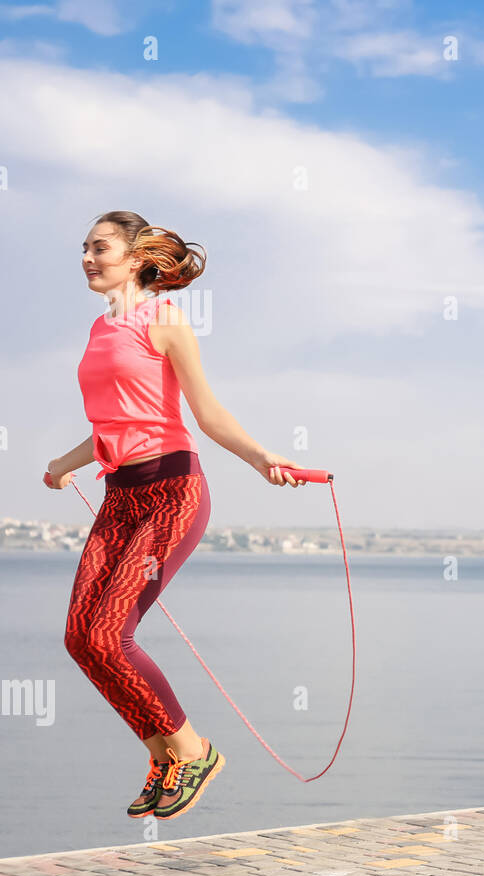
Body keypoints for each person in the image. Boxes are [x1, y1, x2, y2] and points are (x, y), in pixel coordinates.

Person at [47, 210, 305, 818]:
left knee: (110, 634)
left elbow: (207, 413)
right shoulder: (97, 328)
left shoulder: (163, 320)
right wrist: (65, 464)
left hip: (171, 492)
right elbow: (110, 423)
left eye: (100, 247)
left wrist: (261, 456)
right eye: (82, 247)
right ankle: (164, 755)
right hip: (120, 496)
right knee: (81, 638)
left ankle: (194, 751)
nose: (87, 256)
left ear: (137, 257)